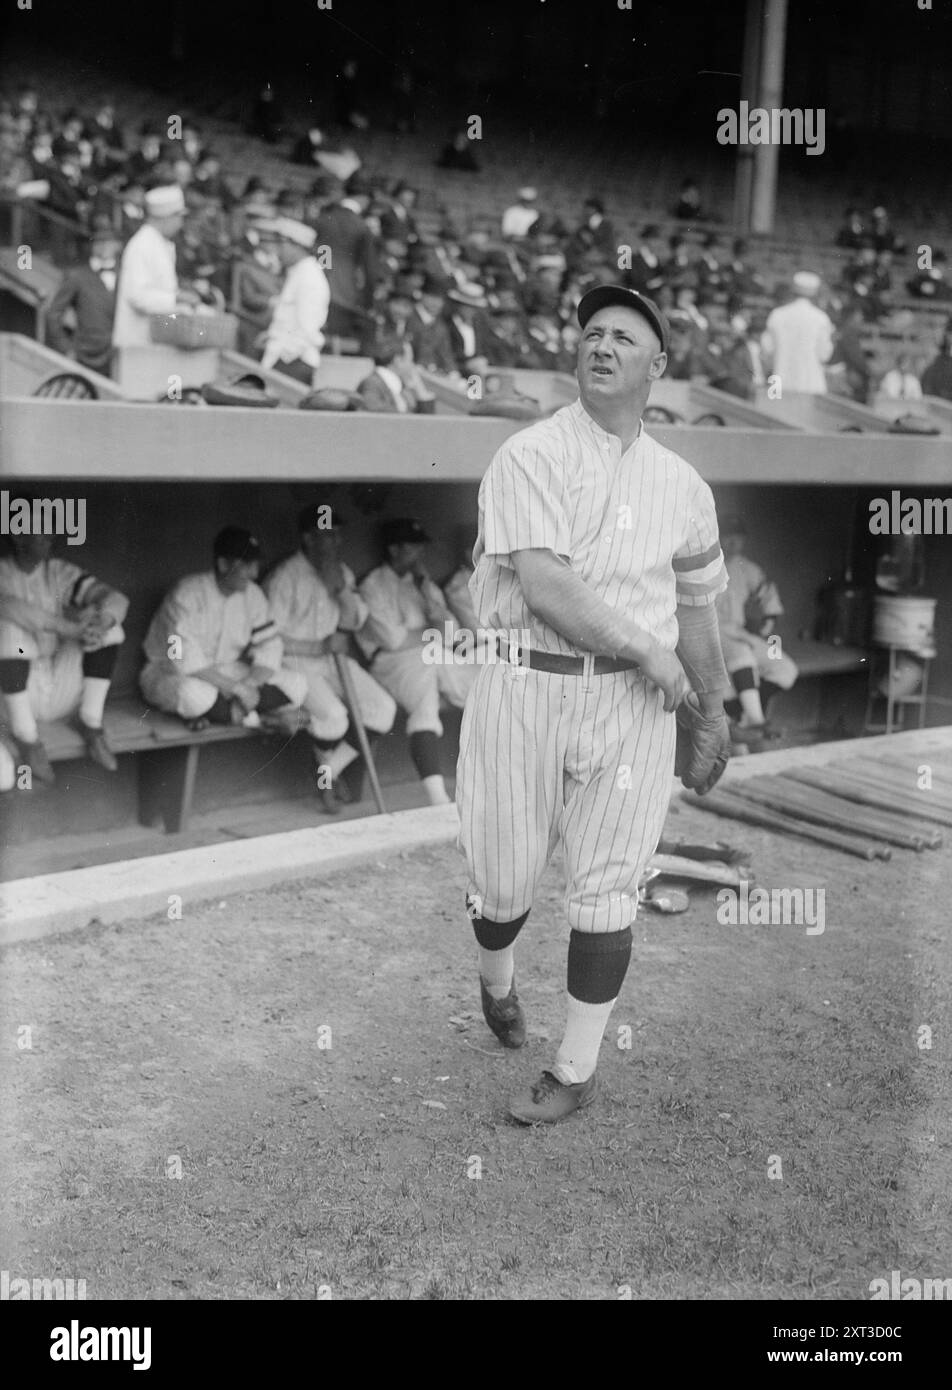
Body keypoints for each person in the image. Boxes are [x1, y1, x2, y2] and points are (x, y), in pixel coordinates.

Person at [455, 284, 732, 1124]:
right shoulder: (531, 453)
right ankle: (497, 978)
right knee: (502, 886)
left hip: (626, 711)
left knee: (608, 889)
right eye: (591, 333)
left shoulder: (683, 484)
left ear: (657, 367)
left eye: (622, 337)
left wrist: (713, 708)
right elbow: (544, 587)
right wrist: (652, 652)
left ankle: (573, 1069)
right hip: (524, 684)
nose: (601, 345)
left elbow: (694, 610)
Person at [263, 507, 397, 815]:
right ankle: (327, 777)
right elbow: (267, 638)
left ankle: (328, 771)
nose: (336, 541)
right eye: (327, 534)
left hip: (331, 659)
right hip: (293, 663)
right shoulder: (286, 576)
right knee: (334, 715)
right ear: (308, 538)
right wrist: (317, 646)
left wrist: (339, 590)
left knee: (382, 708)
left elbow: (353, 622)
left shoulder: (342, 572)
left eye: (338, 534)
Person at [140, 527, 309, 739]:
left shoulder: (253, 595)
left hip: (227, 672)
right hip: (171, 672)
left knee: (298, 683)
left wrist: (250, 684)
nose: (254, 573)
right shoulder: (186, 594)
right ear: (223, 564)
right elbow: (183, 660)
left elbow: (270, 647)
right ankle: (260, 718)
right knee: (194, 696)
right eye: (246, 565)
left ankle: (231, 714)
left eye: (255, 565)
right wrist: (237, 689)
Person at [357, 518, 477, 807]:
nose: (419, 554)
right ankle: (438, 798)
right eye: (412, 547)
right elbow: (393, 640)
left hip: (430, 655)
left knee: (483, 681)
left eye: (420, 547)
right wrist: (431, 632)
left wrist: (432, 607)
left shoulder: (421, 584)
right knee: (425, 697)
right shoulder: (373, 584)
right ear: (394, 548)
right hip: (389, 663)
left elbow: (453, 636)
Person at [0, 532, 128, 785]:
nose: (49, 537)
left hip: (57, 681)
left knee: (110, 627)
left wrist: (101, 620)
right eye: (39, 531)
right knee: (9, 629)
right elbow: (13, 608)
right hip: (13, 699)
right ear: (17, 536)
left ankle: (91, 722)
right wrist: (68, 627)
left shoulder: (58, 571)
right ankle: (26, 738)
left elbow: (115, 598)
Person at [714, 516, 797, 740]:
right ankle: (756, 721)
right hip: (709, 633)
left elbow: (769, 598)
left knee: (785, 669)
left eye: (738, 538)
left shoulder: (747, 568)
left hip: (738, 632)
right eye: (727, 537)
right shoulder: (705, 565)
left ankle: (745, 714)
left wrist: (766, 625)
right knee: (743, 655)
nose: (733, 543)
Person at [112, 184, 194, 350]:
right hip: (137, 344)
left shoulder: (160, 243)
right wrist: (176, 299)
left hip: (155, 340)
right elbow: (137, 296)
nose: (180, 224)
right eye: (178, 217)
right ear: (165, 217)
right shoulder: (142, 245)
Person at [258, 217, 330, 385]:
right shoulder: (298, 272)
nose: (277, 251)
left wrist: (285, 356)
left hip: (293, 361)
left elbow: (308, 328)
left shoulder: (310, 277)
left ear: (295, 246)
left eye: (281, 245)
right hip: (284, 358)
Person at [313, 172, 377, 348]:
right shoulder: (362, 227)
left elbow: (322, 251)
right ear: (365, 199)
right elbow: (369, 271)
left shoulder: (324, 218)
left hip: (319, 282)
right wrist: (368, 303)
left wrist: (325, 273)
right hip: (345, 294)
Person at [45, 224, 120, 374]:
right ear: (92, 245)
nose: (104, 247)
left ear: (119, 246)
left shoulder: (126, 276)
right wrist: (66, 348)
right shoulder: (77, 276)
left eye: (109, 242)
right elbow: (53, 313)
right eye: (99, 242)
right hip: (84, 355)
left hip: (119, 355)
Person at [761, 271, 834, 394]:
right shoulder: (821, 318)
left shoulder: (777, 314)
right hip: (810, 384)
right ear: (815, 293)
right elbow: (824, 354)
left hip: (781, 382)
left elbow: (766, 349)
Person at [356, 336, 436, 412]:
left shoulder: (401, 387)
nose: (412, 365)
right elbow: (373, 413)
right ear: (398, 361)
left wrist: (419, 389)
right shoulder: (372, 383)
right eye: (410, 360)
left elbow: (427, 423)